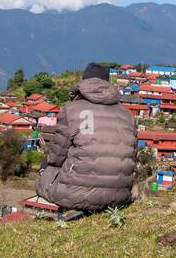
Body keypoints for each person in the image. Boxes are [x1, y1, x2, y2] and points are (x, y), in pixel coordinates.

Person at [36, 62, 137, 214]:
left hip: (77, 193)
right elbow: (132, 154)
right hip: (120, 194)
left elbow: (56, 157)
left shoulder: (71, 110)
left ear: (83, 83)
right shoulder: (127, 115)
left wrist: (47, 166)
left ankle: (69, 208)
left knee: (48, 166)